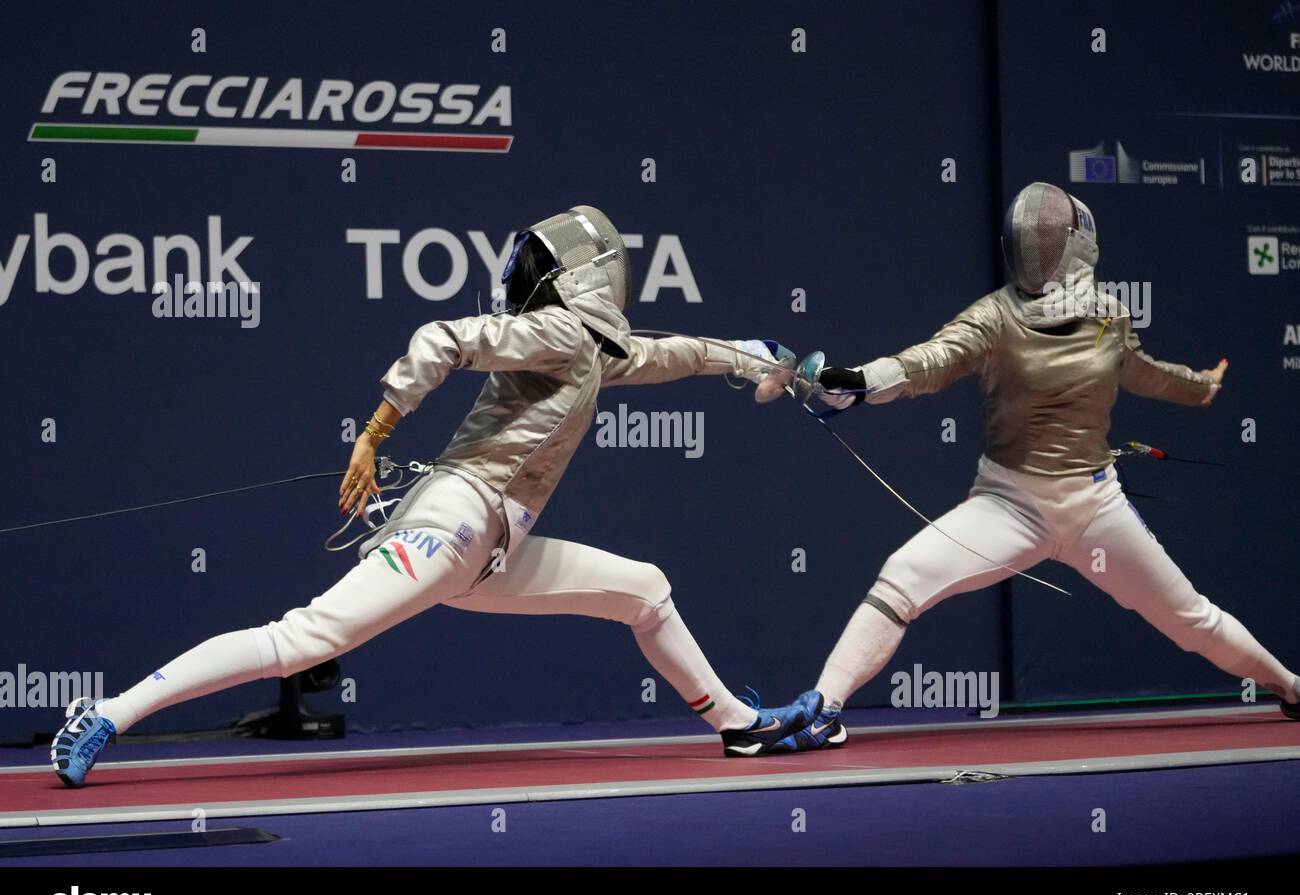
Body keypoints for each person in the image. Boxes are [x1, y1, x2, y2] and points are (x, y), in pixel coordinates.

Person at [51, 205, 821, 787]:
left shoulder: (593, 349)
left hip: (491, 551)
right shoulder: (560, 334)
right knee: (308, 639)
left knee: (644, 590)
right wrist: (373, 432)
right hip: (453, 522)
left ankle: (740, 726)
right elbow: (444, 340)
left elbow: (673, 354)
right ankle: (109, 714)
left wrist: (756, 359)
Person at [769, 182, 1300, 753]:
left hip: (1097, 509)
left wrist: (1201, 388)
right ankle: (823, 709)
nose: (1039, 251)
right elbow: (930, 359)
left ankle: (1291, 686)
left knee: (1191, 619)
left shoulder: (1108, 317)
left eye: (1046, 241)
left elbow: (1145, 372)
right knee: (902, 577)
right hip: (1009, 505)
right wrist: (863, 380)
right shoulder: (995, 317)